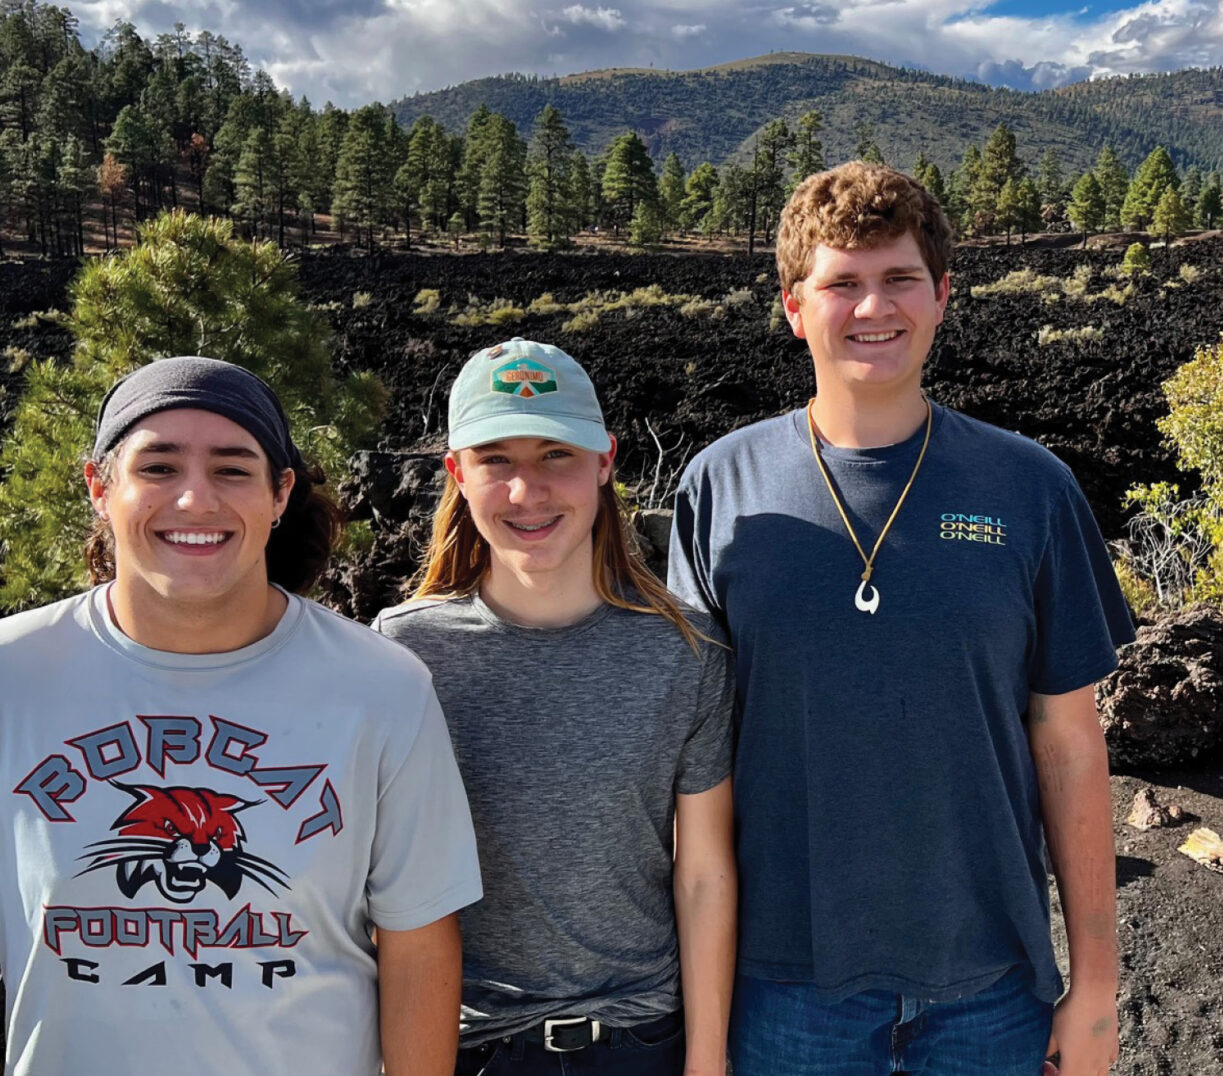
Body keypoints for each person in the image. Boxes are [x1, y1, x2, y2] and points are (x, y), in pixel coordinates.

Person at [0, 356, 482, 1076]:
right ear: (99, 486)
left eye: (233, 469)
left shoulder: (381, 689)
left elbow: (420, 943)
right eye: (158, 467)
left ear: (279, 495)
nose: (193, 500)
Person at [667, 161, 1137, 1076]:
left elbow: (1071, 744)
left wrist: (1096, 987)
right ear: (795, 307)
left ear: (942, 295)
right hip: (780, 991)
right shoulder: (720, 489)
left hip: (990, 987)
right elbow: (695, 764)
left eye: (899, 279)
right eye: (841, 282)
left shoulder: (1030, 488)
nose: (871, 306)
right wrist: (706, 1029)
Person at [373, 338, 737, 1076]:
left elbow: (703, 875)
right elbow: (380, 893)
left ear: (605, 462)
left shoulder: (685, 652)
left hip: (641, 1044)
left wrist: (706, 1060)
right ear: (457, 475)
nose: (526, 491)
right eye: (496, 459)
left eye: (555, 455)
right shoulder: (402, 656)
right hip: (468, 1046)